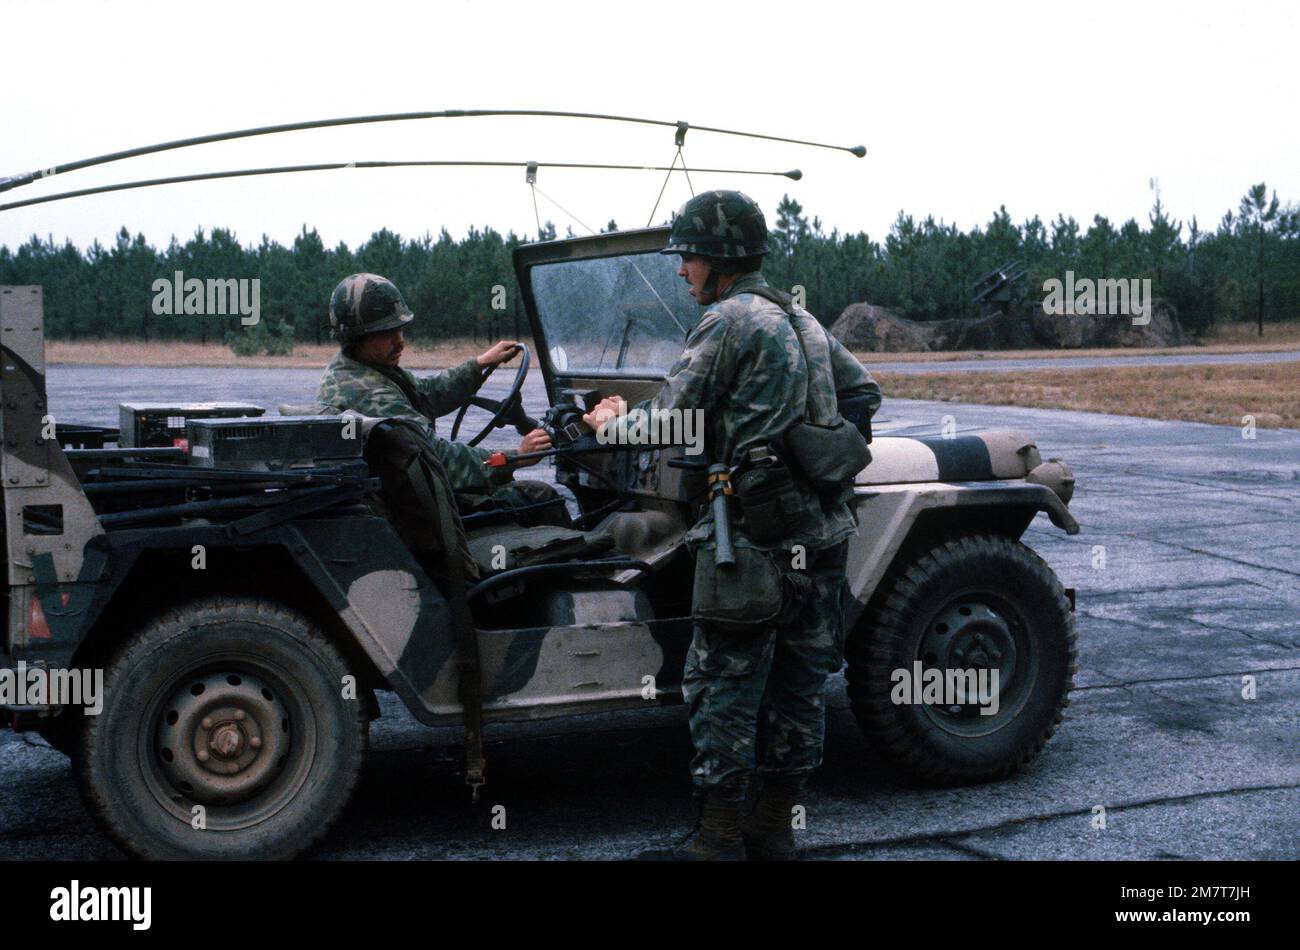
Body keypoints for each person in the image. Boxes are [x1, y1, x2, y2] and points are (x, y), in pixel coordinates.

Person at [583, 191, 882, 860]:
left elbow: (668, 421)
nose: (680, 270)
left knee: (724, 687)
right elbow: (863, 394)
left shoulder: (727, 321)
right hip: (823, 536)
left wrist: (605, 425)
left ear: (716, 260)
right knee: (800, 687)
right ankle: (775, 830)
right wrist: (813, 454)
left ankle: (718, 839)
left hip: (751, 543)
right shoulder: (799, 318)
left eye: (686, 257)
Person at [316, 272, 566, 526]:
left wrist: (479, 365)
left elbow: (427, 393)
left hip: (407, 496)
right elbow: (435, 458)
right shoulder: (366, 391)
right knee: (540, 497)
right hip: (417, 513)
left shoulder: (359, 369)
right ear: (358, 336)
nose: (400, 340)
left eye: (400, 329)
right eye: (387, 332)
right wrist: (514, 456)